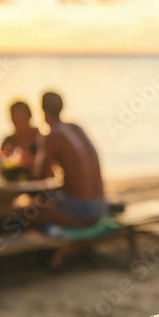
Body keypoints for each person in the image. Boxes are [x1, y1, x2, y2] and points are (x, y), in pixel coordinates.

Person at [30, 92, 106, 227]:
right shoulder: (76, 128)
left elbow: (40, 177)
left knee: (26, 213)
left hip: (84, 209)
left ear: (44, 111)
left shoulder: (52, 135)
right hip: (101, 204)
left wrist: (29, 162)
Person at [0, 101, 42, 170]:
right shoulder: (9, 141)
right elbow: (0, 165)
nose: (18, 122)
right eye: (15, 119)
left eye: (21, 120)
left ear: (28, 117)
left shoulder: (39, 137)